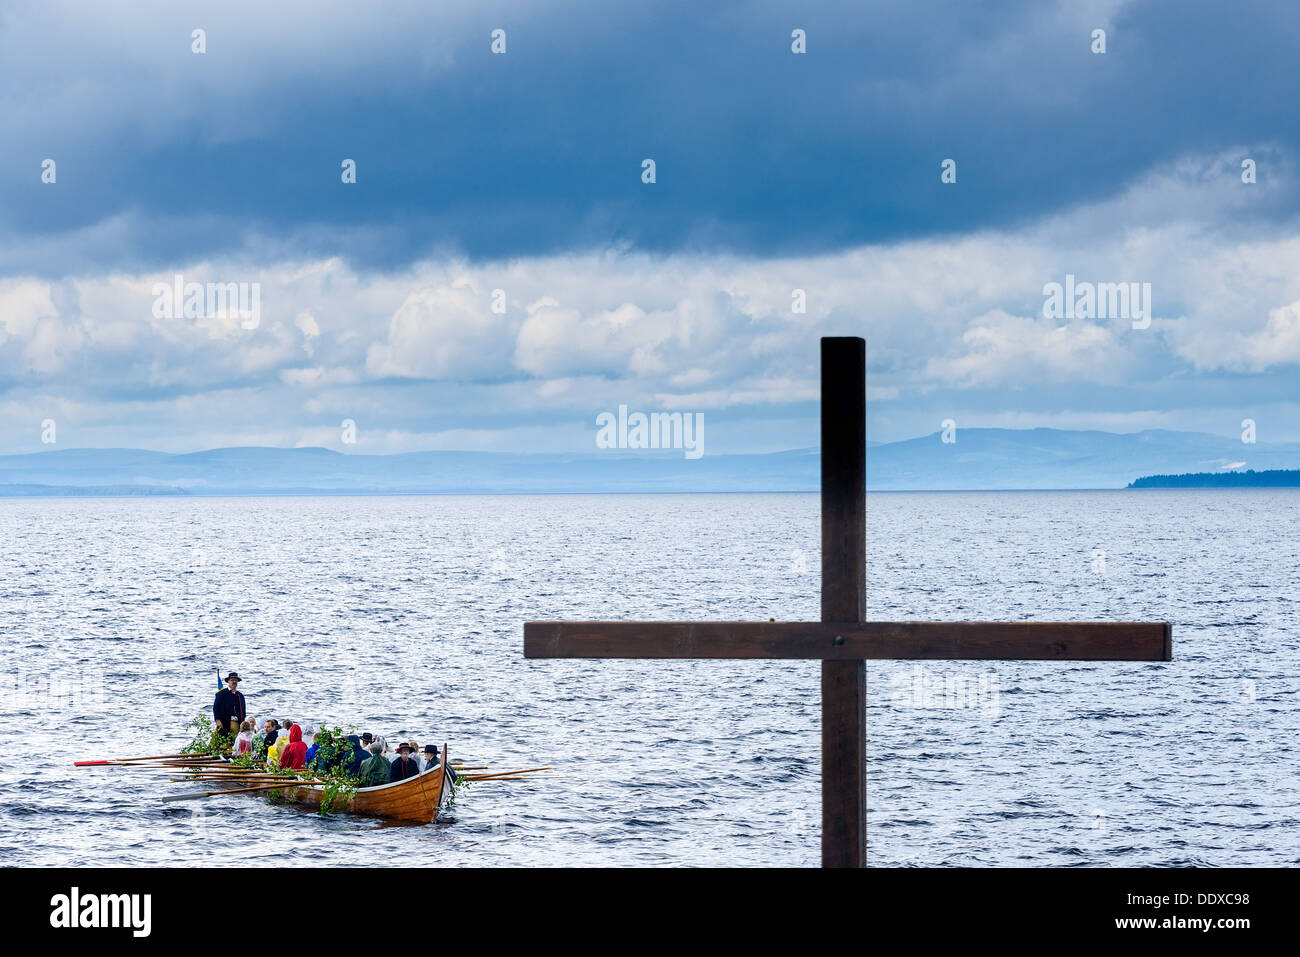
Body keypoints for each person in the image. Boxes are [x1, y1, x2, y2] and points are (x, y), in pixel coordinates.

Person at [212, 673, 246, 739]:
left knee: (235, 741)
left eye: (235, 680)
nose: (234, 682)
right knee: (219, 741)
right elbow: (216, 707)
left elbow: (243, 710)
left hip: (236, 722)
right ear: (228, 681)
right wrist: (217, 720)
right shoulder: (221, 693)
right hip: (223, 722)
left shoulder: (240, 695)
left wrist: (242, 723)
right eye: (232, 680)